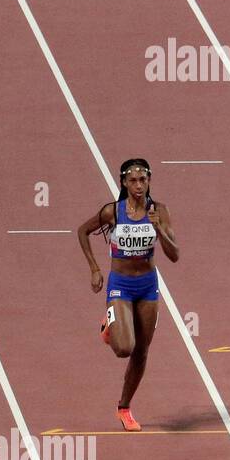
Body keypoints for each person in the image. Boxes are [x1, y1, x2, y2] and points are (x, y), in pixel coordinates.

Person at [76, 158, 179, 431]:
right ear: (123, 182)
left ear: (149, 181)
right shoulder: (113, 211)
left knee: (141, 351)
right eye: (132, 180)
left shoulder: (159, 211)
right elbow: (82, 231)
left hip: (147, 286)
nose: (138, 185)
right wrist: (95, 269)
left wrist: (159, 230)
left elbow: (174, 255)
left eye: (143, 180)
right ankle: (109, 325)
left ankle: (124, 408)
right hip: (120, 285)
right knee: (124, 349)